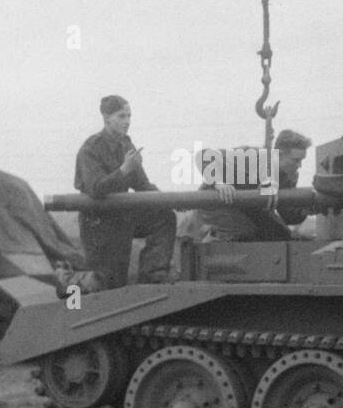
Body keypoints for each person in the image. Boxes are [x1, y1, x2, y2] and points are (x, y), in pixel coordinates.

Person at [74, 95, 176, 289]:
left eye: (129, 116)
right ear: (106, 118)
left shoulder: (126, 145)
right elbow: (96, 188)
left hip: (123, 216)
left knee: (163, 217)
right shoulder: (91, 148)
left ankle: (152, 276)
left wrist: (168, 200)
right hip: (99, 224)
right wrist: (123, 170)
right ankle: (74, 302)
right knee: (109, 284)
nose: (127, 121)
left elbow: (143, 185)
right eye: (121, 116)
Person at [201, 129, 312, 241]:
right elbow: (206, 155)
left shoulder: (289, 176)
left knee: (283, 235)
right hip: (217, 204)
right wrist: (219, 183)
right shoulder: (250, 156)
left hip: (250, 207)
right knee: (244, 232)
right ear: (281, 154)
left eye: (301, 161)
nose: (299, 165)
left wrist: (305, 210)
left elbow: (287, 214)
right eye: (296, 160)